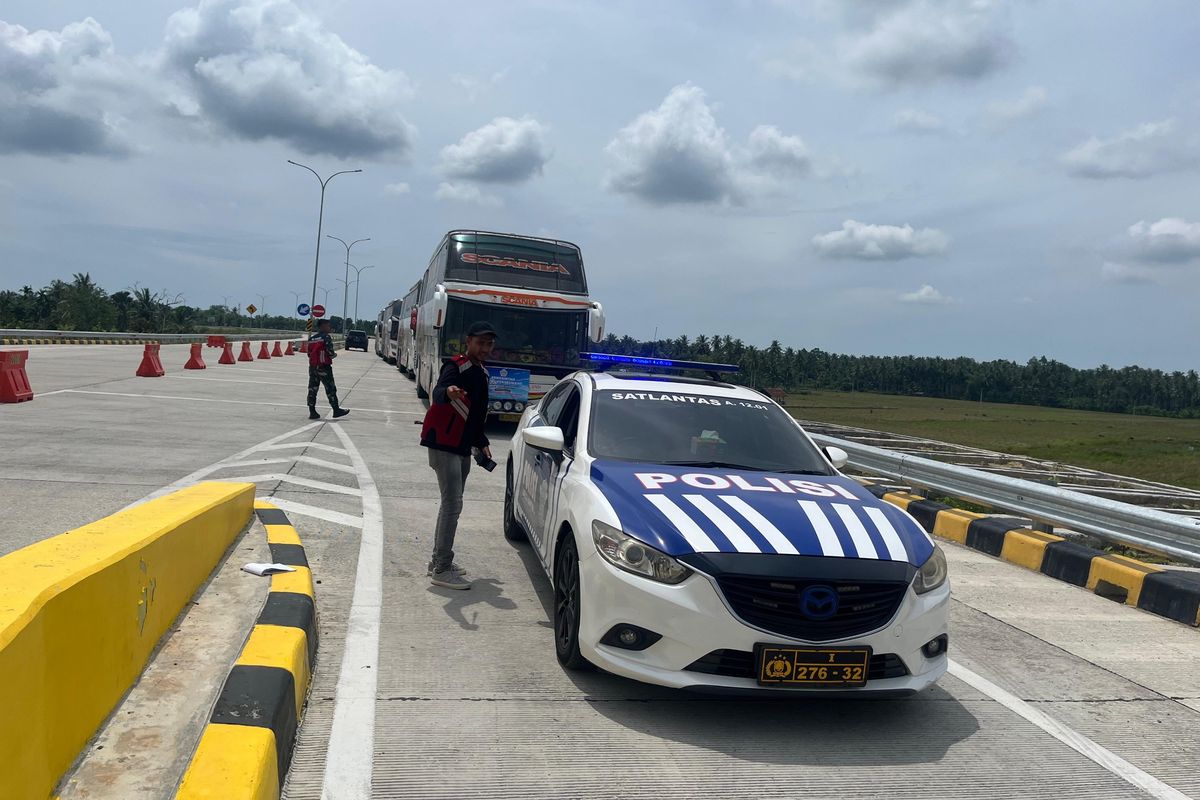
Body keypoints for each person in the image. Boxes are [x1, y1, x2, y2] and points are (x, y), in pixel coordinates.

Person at [420, 320, 496, 589]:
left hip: (462, 446)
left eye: (489, 344)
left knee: (450, 505)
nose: (485, 348)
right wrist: (448, 392)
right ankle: (442, 568)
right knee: (452, 505)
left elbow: (475, 416)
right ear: (469, 342)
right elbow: (440, 391)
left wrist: (481, 442)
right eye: (480, 343)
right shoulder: (456, 366)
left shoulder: (482, 372)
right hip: (444, 445)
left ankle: (437, 561)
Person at [307, 318, 349, 420]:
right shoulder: (326, 337)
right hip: (324, 367)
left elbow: (309, 354)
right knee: (330, 389)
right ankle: (336, 410)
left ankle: (312, 411)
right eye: (328, 325)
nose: (329, 327)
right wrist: (334, 355)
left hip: (313, 367)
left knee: (312, 389)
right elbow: (330, 353)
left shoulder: (312, 339)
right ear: (323, 326)